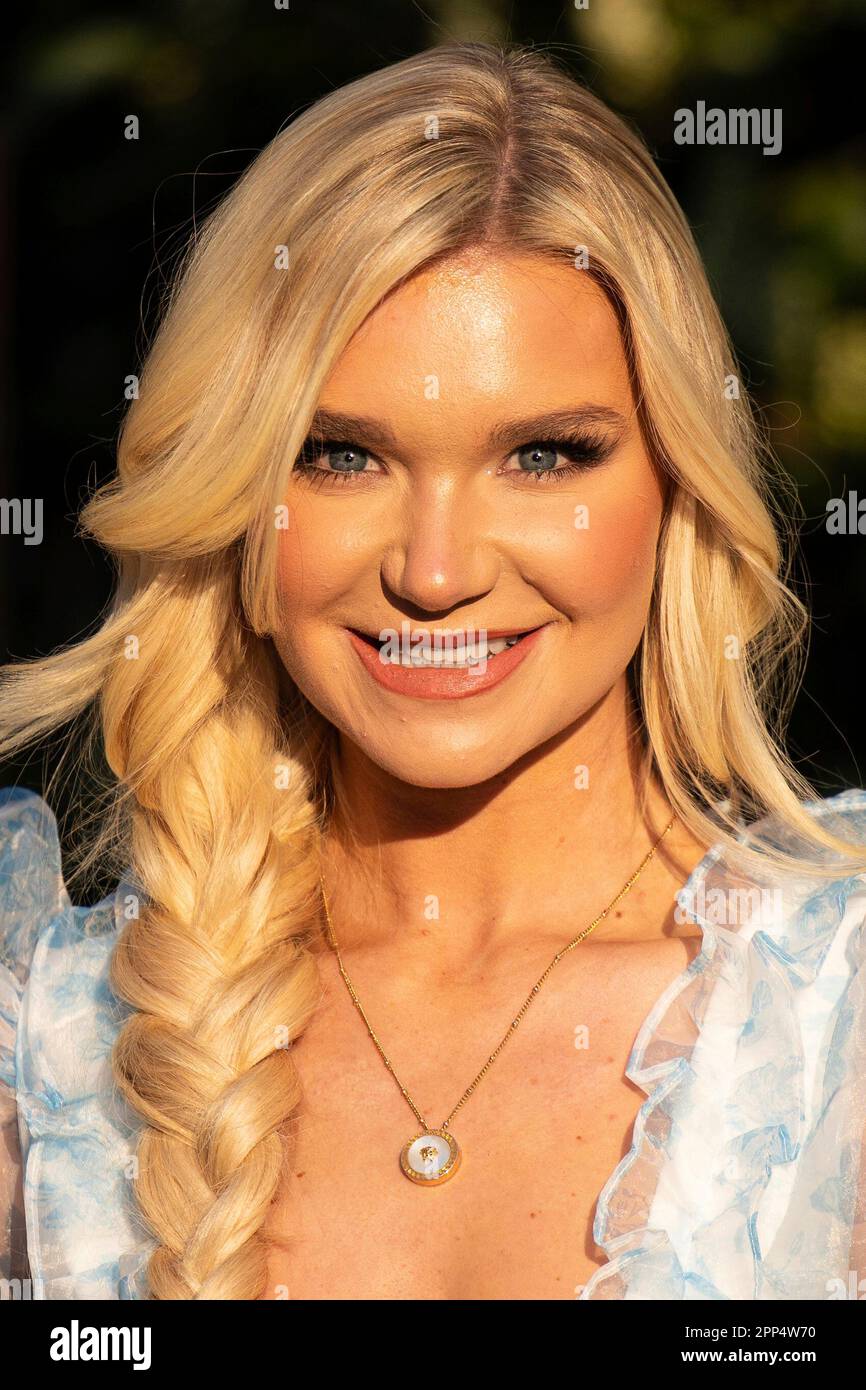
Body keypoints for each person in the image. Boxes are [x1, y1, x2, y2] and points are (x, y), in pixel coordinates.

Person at [1, 41, 865, 1302]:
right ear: (234, 494)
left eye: (545, 456)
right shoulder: (54, 1053)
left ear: (675, 483)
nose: (438, 570)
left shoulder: (835, 1008)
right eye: (341, 457)